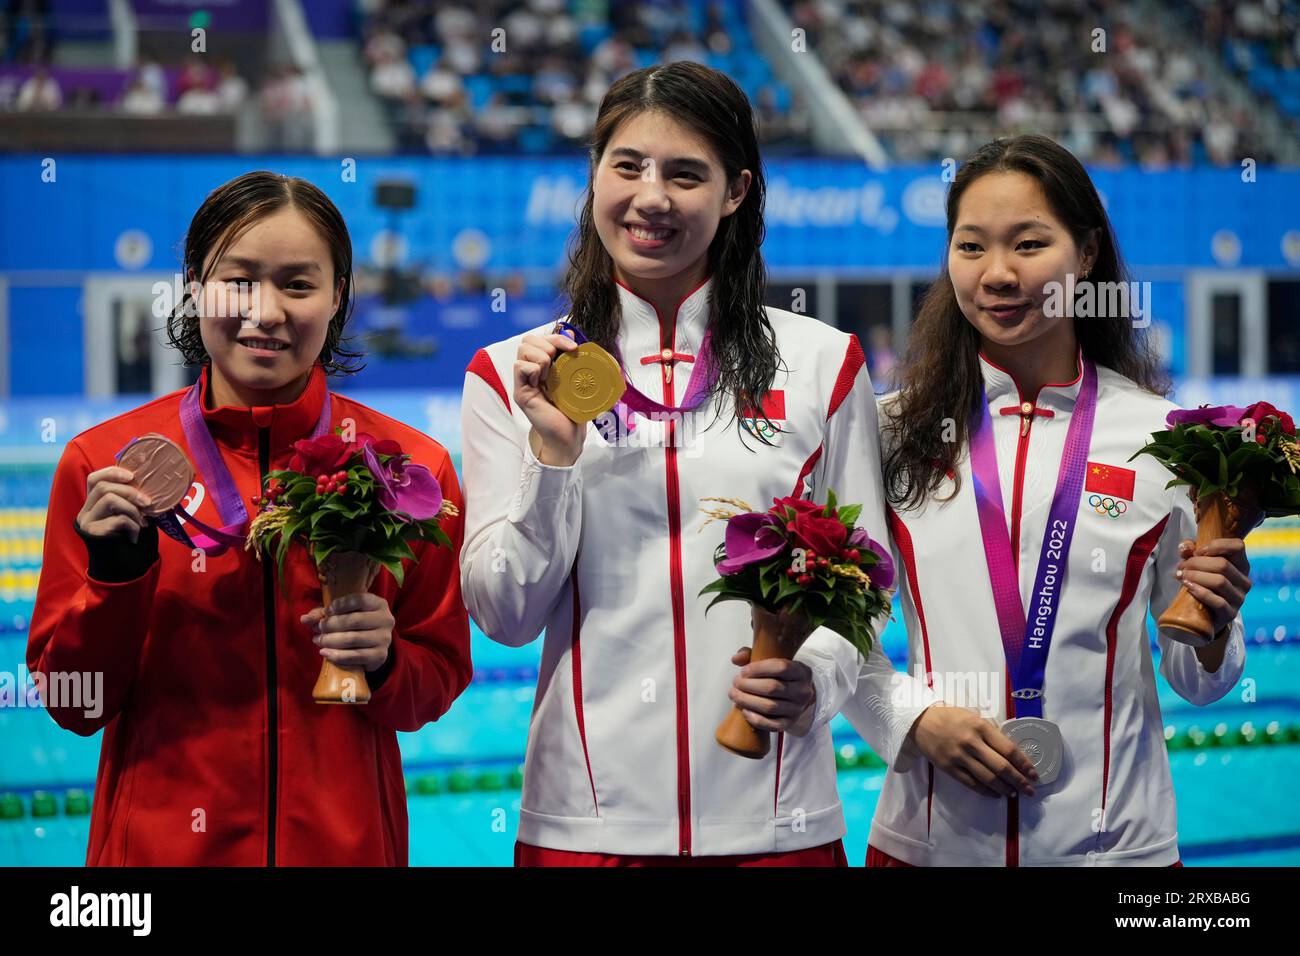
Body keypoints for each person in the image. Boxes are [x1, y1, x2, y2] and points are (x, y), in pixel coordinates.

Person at [459, 61, 912, 865]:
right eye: (626, 165)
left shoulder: (821, 363)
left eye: (685, 174)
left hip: (779, 824)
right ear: (594, 174)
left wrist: (816, 675)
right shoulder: (509, 376)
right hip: (582, 827)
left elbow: (865, 583)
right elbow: (504, 613)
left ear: (736, 191)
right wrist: (553, 456)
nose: (652, 196)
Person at [27, 171, 472, 865]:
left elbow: (435, 683)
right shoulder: (104, 466)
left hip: (345, 849)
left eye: (298, 284)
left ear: (337, 298)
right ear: (196, 287)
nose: (265, 312)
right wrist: (115, 579)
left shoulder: (410, 471)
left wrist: (386, 664)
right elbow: (72, 706)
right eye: (239, 280)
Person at [847, 134, 1248, 866]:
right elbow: (830, 629)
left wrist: (1216, 625)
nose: (998, 273)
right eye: (971, 247)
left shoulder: (1164, 439)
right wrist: (911, 719)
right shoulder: (888, 431)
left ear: (1086, 255)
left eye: (1029, 244)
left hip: (1117, 850)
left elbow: (1201, 682)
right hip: (928, 847)